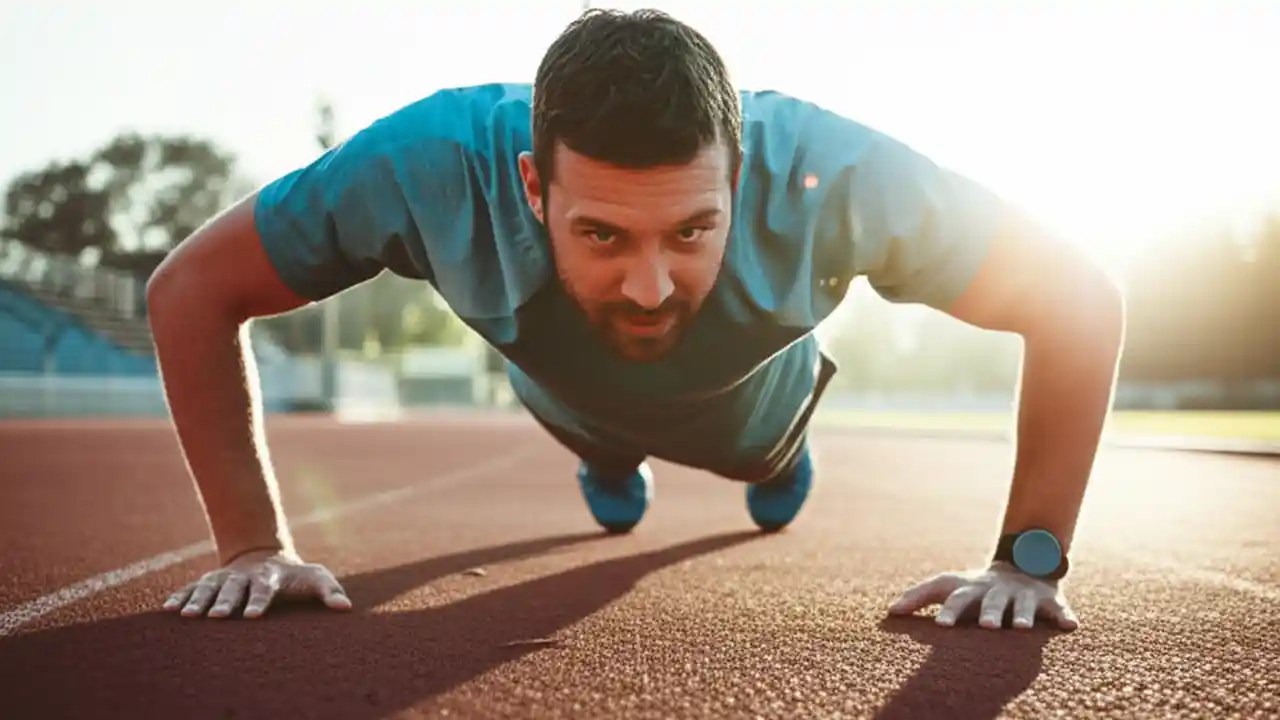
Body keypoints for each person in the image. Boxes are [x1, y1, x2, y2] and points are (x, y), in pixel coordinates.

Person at [148, 9, 1124, 631]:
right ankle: (610, 460)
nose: (651, 285)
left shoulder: (842, 176)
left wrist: (1026, 560)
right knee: (599, 430)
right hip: (564, 391)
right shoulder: (424, 165)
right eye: (604, 235)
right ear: (531, 186)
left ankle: (779, 462)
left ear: (741, 176)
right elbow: (189, 289)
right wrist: (250, 545)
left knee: (763, 469)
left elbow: (1077, 299)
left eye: (692, 229)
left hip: (754, 408)